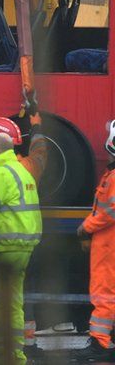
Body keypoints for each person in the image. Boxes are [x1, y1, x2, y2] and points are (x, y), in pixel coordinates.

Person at [0, 107, 49, 358]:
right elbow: (41, 153)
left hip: (4, 245)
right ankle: (17, 349)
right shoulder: (27, 168)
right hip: (25, 244)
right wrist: (37, 124)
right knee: (14, 300)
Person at [71, 120, 115, 361]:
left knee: (103, 293)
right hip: (107, 244)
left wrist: (86, 227)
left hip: (109, 247)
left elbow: (110, 211)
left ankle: (99, 343)